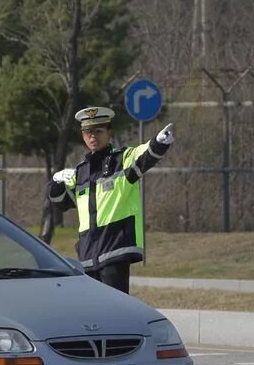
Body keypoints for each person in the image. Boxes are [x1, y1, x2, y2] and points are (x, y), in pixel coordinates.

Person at [48, 106, 175, 293]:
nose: (93, 137)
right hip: (88, 255)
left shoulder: (122, 160)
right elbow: (60, 203)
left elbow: (145, 154)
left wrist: (159, 142)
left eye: (99, 131)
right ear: (83, 136)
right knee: (92, 312)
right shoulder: (80, 172)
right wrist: (55, 182)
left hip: (115, 251)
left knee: (116, 311)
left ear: (110, 133)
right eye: (88, 132)